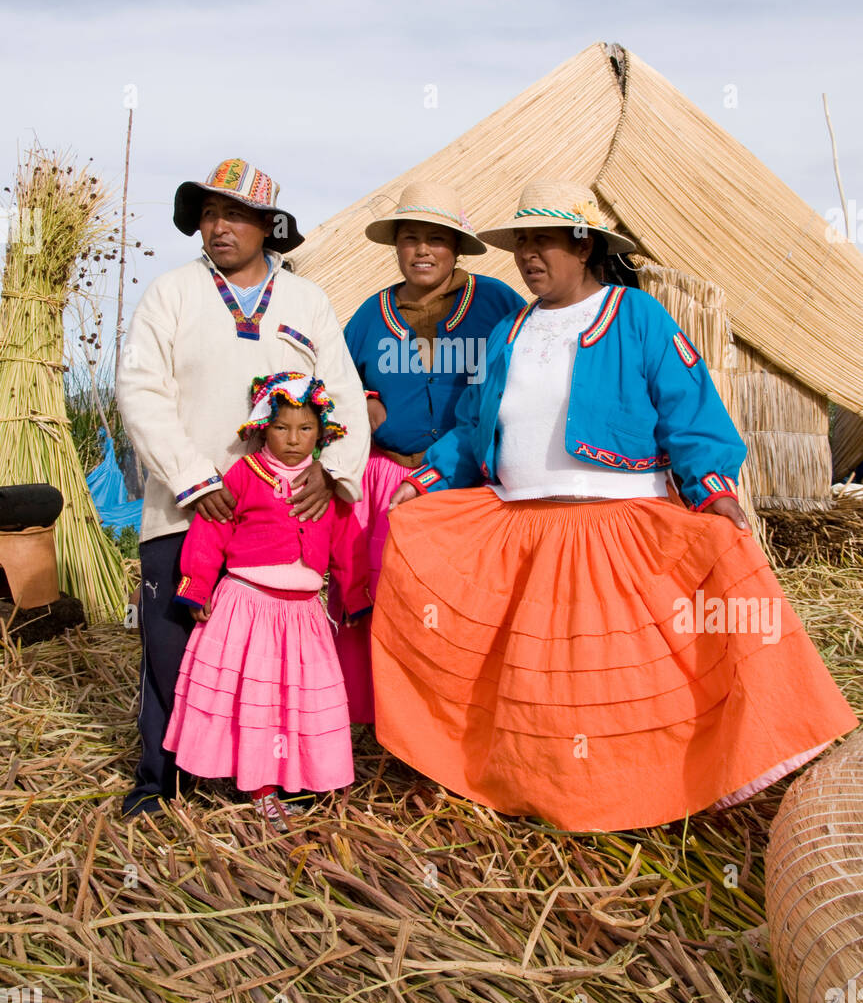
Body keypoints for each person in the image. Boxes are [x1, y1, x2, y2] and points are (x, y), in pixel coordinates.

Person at [371, 180, 858, 832]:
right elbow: (470, 426)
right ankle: (533, 787)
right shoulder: (511, 330)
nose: (527, 255)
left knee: (612, 678)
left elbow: (688, 411)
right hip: (519, 528)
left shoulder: (635, 317)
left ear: (584, 245)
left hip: (616, 525)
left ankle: (641, 792)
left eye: (541, 241)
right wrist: (426, 479)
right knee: (538, 681)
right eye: (521, 243)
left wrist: (710, 488)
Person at [116, 158, 370, 819]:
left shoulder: (305, 301)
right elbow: (139, 390)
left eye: (233, 214)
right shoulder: (173, 293)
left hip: (275, 521)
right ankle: (161, 782)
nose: (217, 227)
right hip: (186, 506)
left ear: (267, 225)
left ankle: (270, 775)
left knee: (269, 660)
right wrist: (195, 479)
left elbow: (340, 392)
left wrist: (331, 469)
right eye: (206, 214)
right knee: (173, 651)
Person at [330, 180, 524, 722]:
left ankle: (452, 716)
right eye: (410, 238)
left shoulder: (496, 303)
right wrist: (365, 396)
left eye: (436, 240)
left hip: (465, 483)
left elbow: (527, 369)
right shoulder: (372, 315)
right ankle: (375, 712)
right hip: (385, 479)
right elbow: (337, 379)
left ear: (457, 247)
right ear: (395, 247)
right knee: (376, 596)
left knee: (458, 603)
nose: (422, 250)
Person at [163, 373, 369, 824]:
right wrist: (195, 585)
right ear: (262, 428)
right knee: (257, 698)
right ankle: (260, 785)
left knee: (295, 699)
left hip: (301, 615)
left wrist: (354, 597)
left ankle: (297, 777)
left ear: (322, 433)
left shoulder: (328, 486)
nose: (293, 440)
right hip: (248, 607)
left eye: (305, 429)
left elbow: (346, 543)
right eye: (281, 428)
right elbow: (210, 532)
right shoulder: (244, 474)